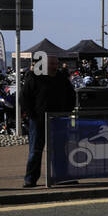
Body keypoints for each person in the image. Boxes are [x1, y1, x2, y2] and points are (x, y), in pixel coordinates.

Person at [22, 57, 77, 187]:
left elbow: (71, 95)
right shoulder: (35, 77)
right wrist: (32, 115)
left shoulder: (61, 78)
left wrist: (67, 113)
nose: (55, 66)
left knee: (59, 150)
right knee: (35, 150)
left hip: (59, 119)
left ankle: (62, 177)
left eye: (56, 64)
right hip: (38, 120)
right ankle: (30, 179)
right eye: (52, 64)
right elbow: (24, 97)